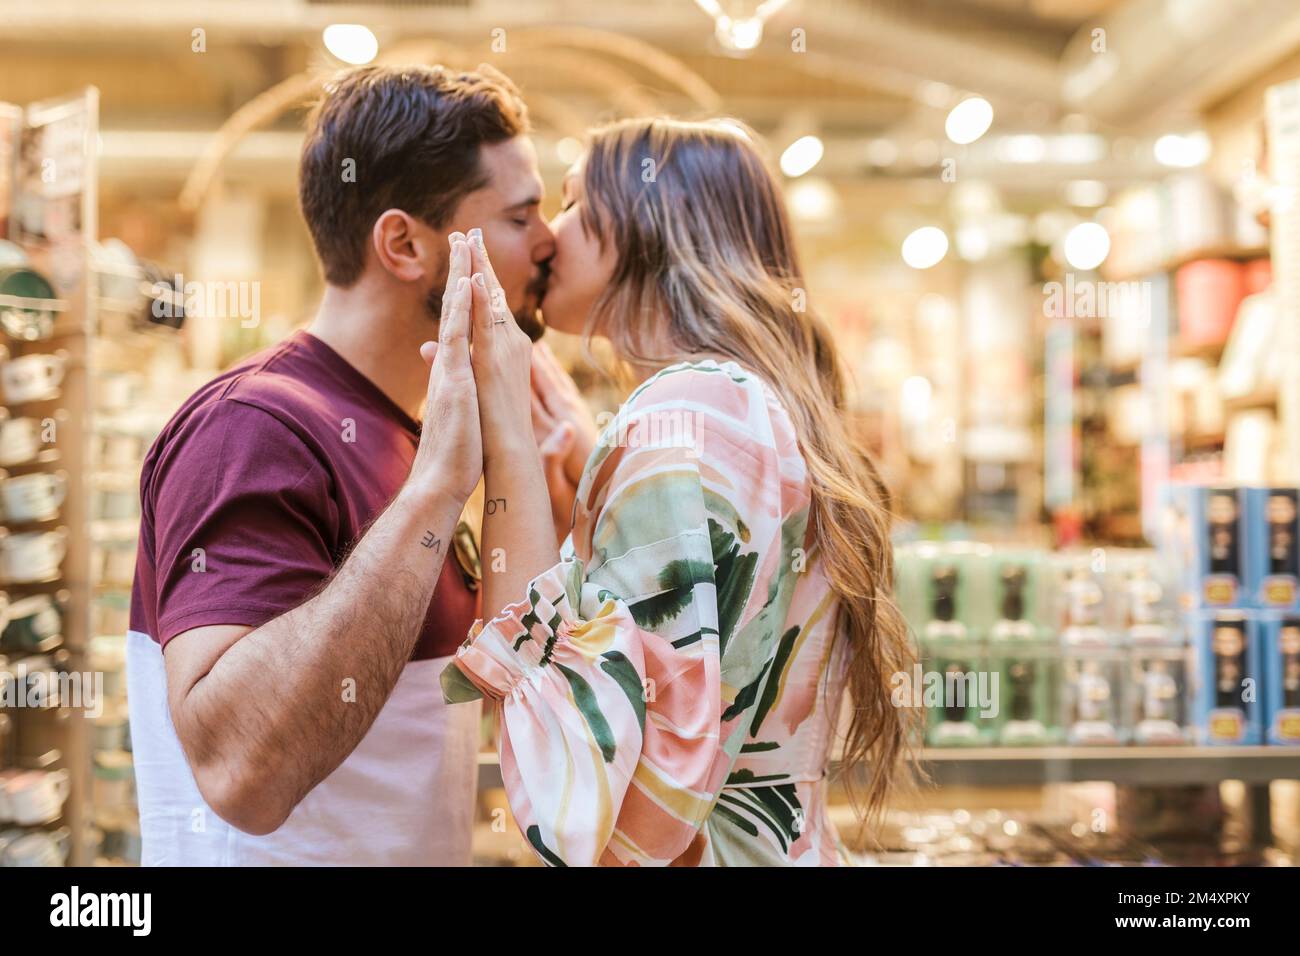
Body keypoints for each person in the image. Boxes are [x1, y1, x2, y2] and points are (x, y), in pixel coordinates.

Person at [442, 117, 918, 866]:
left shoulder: (680, 416)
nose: (547, 239)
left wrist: (505, 433)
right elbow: (702, 663)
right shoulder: (735, 404)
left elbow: (585, 792)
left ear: (641, 224)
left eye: (570, 204)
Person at [126, 63, 567, 865]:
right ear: (404, 243)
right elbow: (240, 773)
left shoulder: (404, 430)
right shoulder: (254, 428)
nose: (549, 241)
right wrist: (437, 491)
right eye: (520, 216)